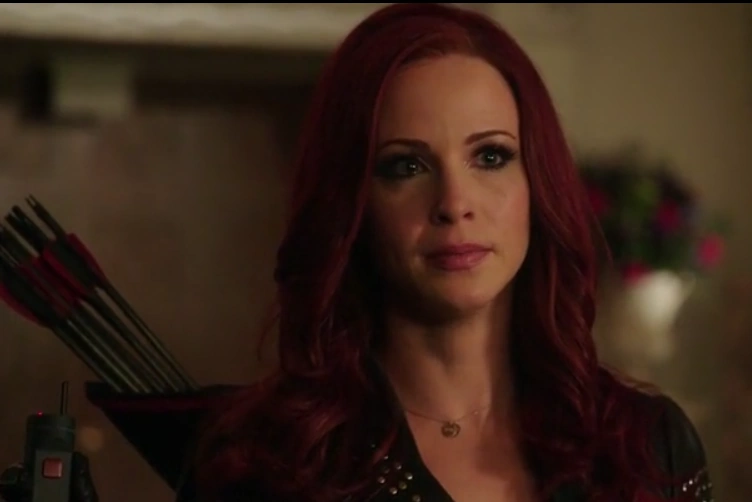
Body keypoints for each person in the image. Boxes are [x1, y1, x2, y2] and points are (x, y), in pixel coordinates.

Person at [0, 3, 713, 502]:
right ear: (352, 205)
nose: (455, 201)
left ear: (539, 184)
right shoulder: (267, 466)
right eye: (406, 165)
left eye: (491, 156)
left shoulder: (646, 447)